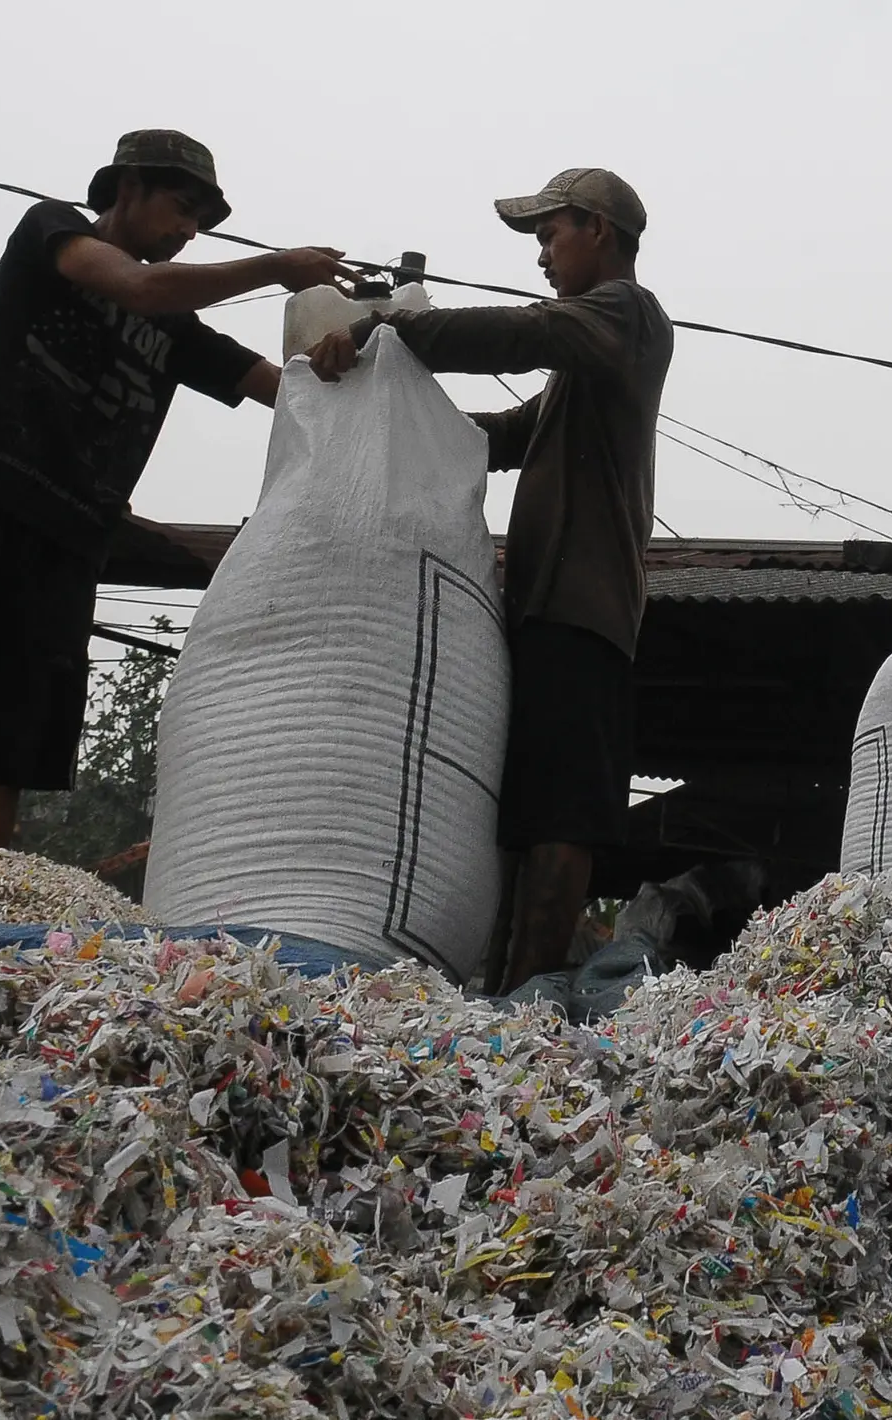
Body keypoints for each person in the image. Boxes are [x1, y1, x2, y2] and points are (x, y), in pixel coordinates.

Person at [0, 130, 355, 848]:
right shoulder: (55, 231)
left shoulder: (178, 331)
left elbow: (286, 391)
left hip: (68, 546)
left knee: (3, 760)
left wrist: (361, 356)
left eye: (201, 221)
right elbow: (137, 285)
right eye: (181, 207)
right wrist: (277, 266)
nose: (187, 231)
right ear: (128, 187)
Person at [305, 167, 673, 993]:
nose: (543, 254)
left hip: (585, 611)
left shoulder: (626, 316)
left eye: (550, 235)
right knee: (525, 820)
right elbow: (506, 433)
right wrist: (387, 408)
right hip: (547, 607)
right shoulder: (581, 369)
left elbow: (522, 333)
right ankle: (505, 992)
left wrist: (382, 327)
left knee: (558, 822)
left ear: (599, 231)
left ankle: (530, 1009)